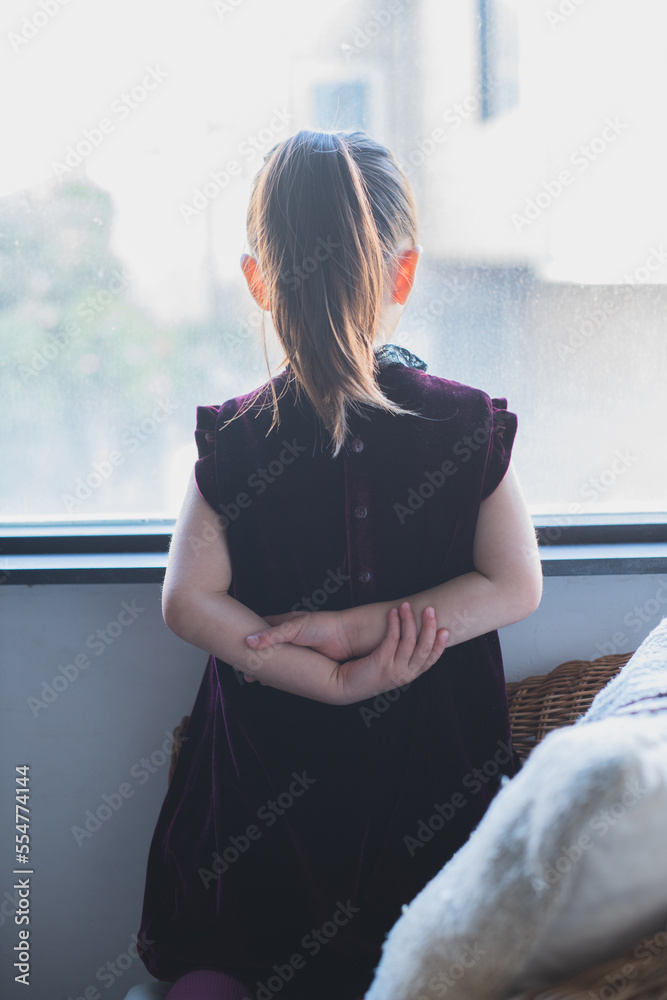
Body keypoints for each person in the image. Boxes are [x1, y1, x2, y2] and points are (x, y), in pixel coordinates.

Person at [137, 129, 543, 1000]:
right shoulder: (464, 426)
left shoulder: (237, 436)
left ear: (257, 280)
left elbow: (187, 601)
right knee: (430, 964)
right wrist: (366, 642)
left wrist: (324, 672)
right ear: (403, 273)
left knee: (218, 970)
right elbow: (515, 583)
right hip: (430, 794)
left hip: (259, 815)